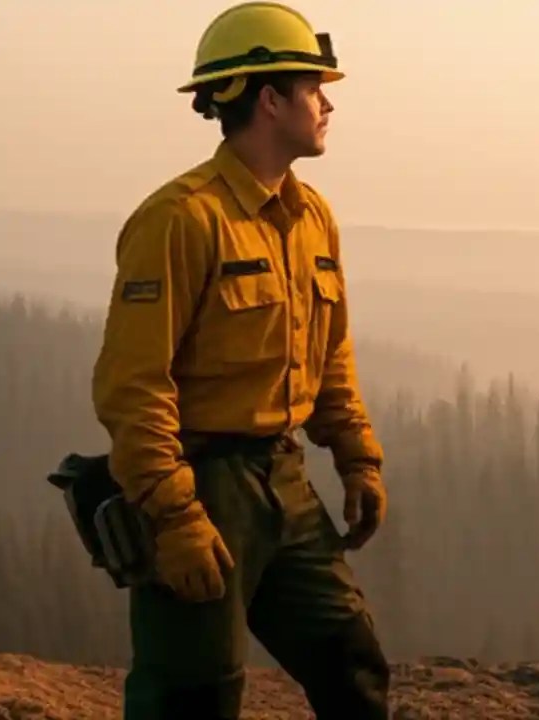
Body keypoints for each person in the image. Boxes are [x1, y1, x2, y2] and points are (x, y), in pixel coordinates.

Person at [90, 3, 391, 718]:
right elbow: (134, 386)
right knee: (195, 696)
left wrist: (357, 456)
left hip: (283, 479)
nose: (327, 104)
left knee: (354, 664)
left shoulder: (311, 215)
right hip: (202, 486)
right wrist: (173, 516)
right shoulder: (181, 219)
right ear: (269, 100)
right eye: (314, 89)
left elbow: (332, 352)